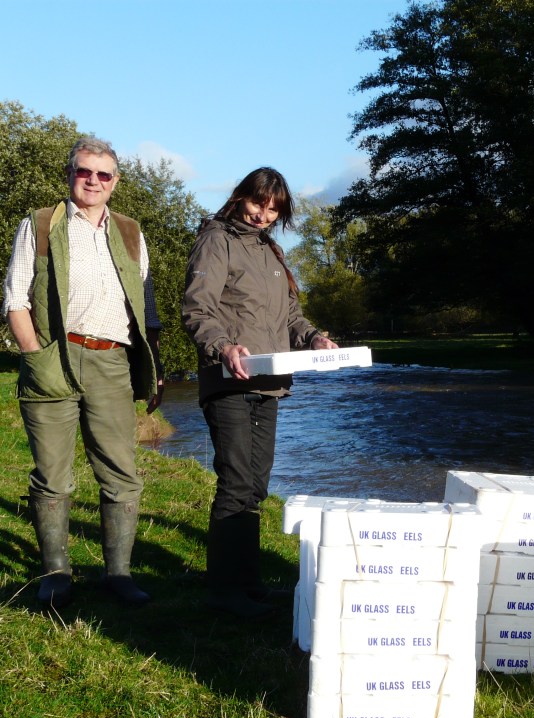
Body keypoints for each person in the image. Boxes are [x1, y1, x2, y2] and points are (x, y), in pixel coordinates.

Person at [3, 137, 163, 609]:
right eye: (84, 172)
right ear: (70, 173)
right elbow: (15, 298)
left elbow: (147, 309)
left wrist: (151, 367)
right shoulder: (41, 223)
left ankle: (118, 575)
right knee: (52, 475)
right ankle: (56, 575)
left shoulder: (132, 232)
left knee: (121, 473)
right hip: (54, 354)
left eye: (103, 174)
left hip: (112, 361)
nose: (92, 181)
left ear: (115, 182)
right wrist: (35, 354)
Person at [182, 167, 338, 619]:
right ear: (240, 197)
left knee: (256, 486)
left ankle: (247, 583)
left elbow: (292, 318)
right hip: (228, 381)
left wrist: (314, 339)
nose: (263, 215)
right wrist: (222, 346)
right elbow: (197, 307)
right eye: (257, 203)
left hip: (269, 386)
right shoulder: (216, 239)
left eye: (273, 209)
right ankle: (223, 592)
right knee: (235, 482)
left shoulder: (272, 251)